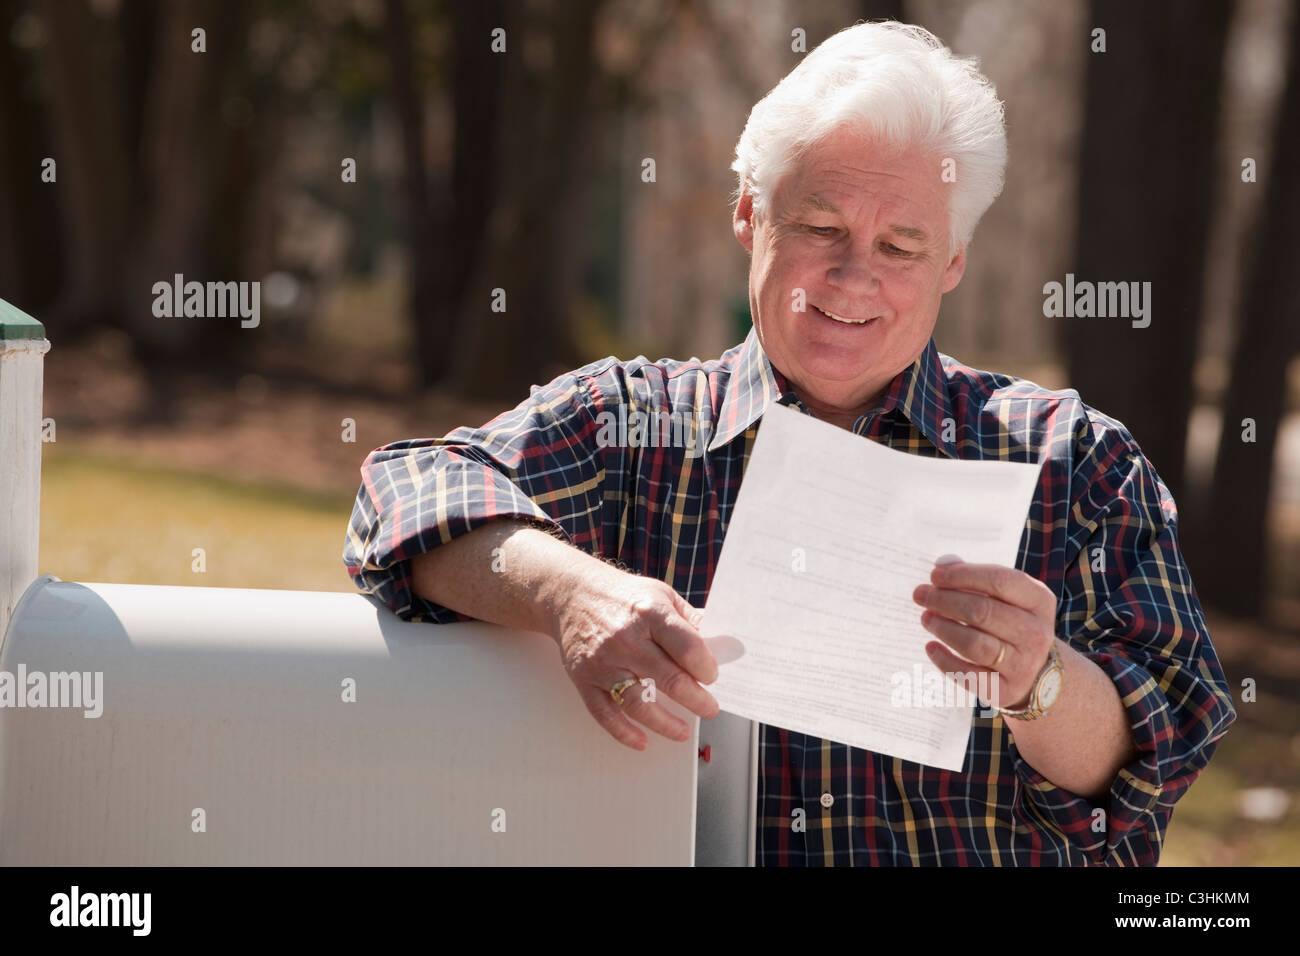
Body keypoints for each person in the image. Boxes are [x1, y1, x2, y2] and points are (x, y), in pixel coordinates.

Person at [343, 21, 1235, 865]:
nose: (854, 277)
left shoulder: (1071, 460)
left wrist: (1039, 680)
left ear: (954, 262)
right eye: (820, 228)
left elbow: (1167, 745)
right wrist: (572, 596)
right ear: (749, 214)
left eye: (902, 245)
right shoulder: (629, 423)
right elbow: (405, 492)